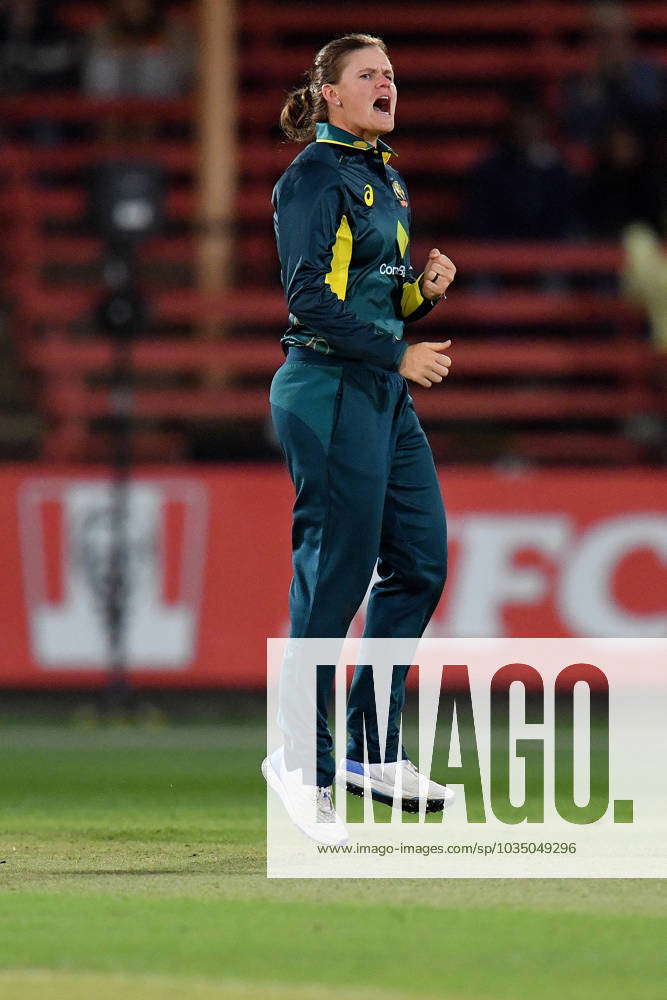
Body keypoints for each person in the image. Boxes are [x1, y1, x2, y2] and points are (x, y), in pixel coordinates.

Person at [261, 34, 456, 844]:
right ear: (330, 96)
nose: (385, 84)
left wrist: (419, 296)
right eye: (367, 75)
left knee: (418, 561)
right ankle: (298, 762)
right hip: (329, 387)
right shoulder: (313, 175)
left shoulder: (385, 176)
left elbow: (369, 296)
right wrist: (398, 350)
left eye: (390, 74)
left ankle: (369, 751)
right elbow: (308, 298)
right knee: (333, 579)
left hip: (376, 391)